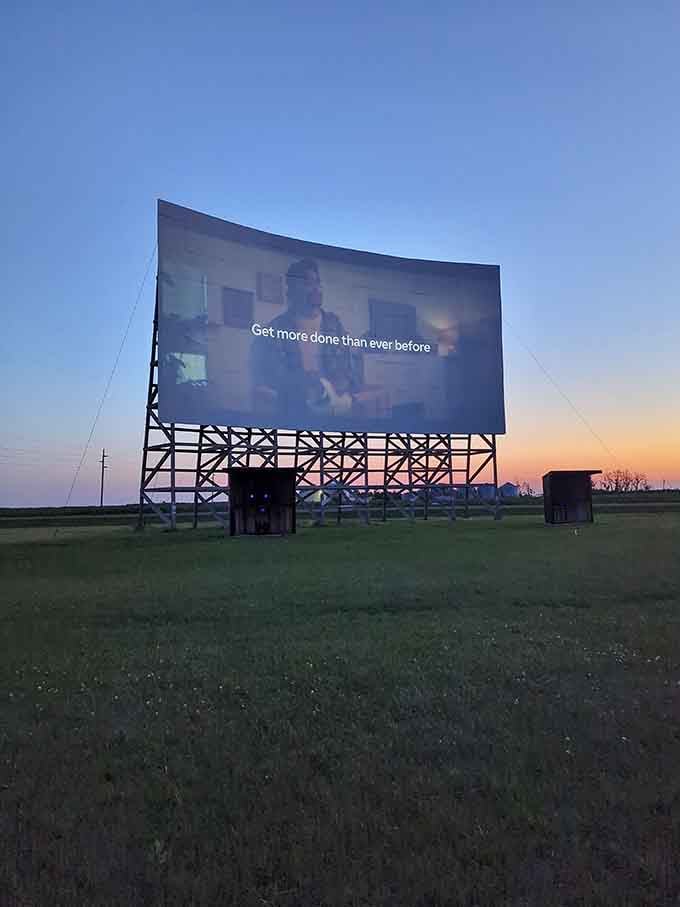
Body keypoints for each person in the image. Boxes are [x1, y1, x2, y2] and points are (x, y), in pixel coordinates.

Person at [251, 258, 364, 421]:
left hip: (337, 414)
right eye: (307, 283)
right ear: (292, 291)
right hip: (294, 415)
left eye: (317, 282)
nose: (316, 288)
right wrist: (303, 388)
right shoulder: (274, 329)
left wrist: (343, 386)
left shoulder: (335, 325)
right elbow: (269, 380)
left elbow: (350, 372)